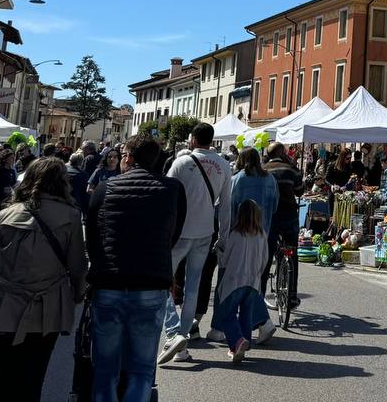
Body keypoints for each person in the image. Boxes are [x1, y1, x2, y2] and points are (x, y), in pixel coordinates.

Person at [0, 157, 86, 402]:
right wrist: (77, 295)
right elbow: (78, 267)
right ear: (62, 183)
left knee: (2, 374)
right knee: (33, 378)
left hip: (3, 305)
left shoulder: (5, 214)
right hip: (46, 307)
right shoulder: (70, 216)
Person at [87, 135, 185, 402]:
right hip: (151, 282)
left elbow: (93, 237)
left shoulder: (104, 188)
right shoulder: (173, 190)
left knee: (105, 369)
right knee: (141, 369)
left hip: (109, 282)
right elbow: (173, 234)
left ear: (129, 158)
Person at [159, 123, 232, 365]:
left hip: (178, 231)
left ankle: (174, 334)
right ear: (212, 140)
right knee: (193, 286)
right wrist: (223, 236)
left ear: (192, 139)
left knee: (161, 282)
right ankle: (182, 341)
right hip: (205, 231)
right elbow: (226, 206)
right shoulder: (224, 165)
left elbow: (165, 196)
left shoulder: (180, 163)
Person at [211, 198, 277, 362]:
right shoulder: (262, 235)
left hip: (235, 281)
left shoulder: (235, 234)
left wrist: (218, 251)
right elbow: (265, 259)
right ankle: (243, 344)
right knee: (246, 315)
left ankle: (237, 341)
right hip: (253, 282)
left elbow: (225, 261)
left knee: (227, 314)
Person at [263, 142, 304, 309]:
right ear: (283, 153)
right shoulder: (291, 169)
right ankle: (292, 296)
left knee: (266, 255)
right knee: (292, 252)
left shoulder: (263, 169)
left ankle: (259, 294)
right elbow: (300, 191)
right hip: (289, 215)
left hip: (270, 216)